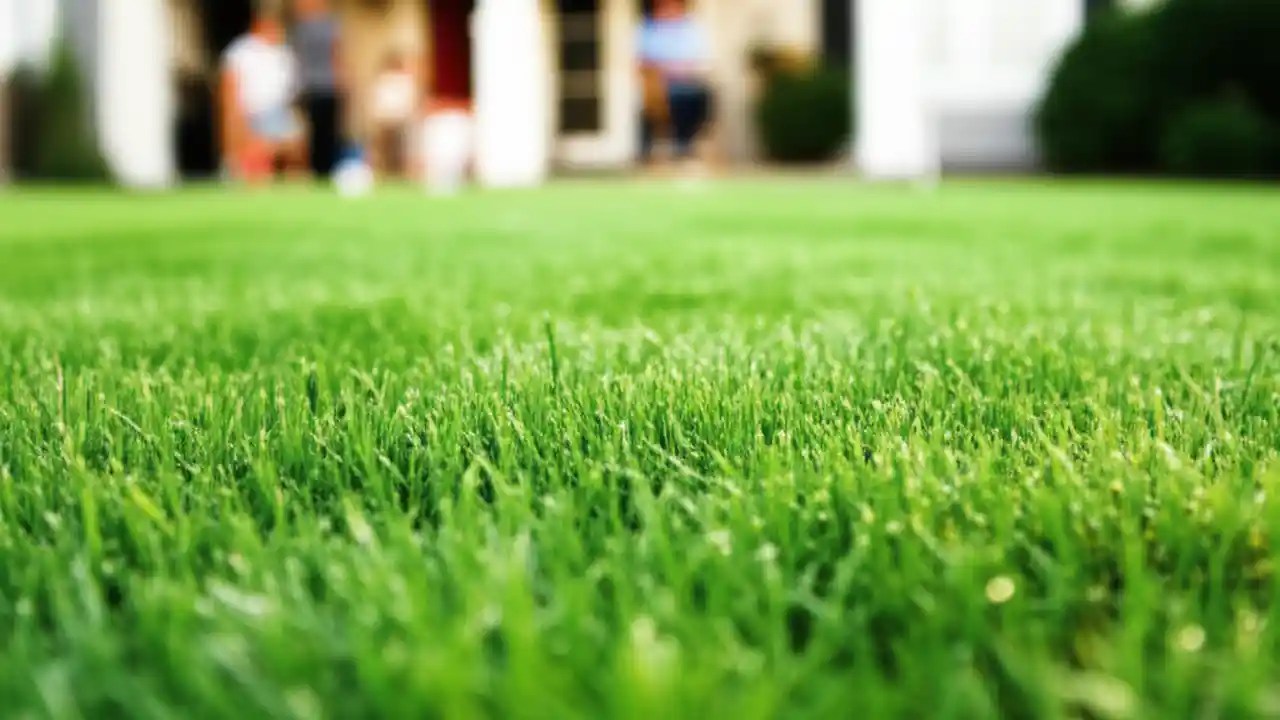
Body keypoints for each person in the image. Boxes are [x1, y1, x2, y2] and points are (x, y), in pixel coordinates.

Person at [220, 11, 305, 182]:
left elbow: (291, 88)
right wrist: (236, 118)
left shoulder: (283, 53)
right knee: (257, 158)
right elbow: (229, 87)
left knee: (295, 150)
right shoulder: (241, 51)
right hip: (252, 111)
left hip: (280, 110)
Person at [637, 0, 712, 166]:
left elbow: (697, 61)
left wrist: (681, 69)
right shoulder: (647, 29)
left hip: (687, 82)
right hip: (658, 85)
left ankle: (684, 145)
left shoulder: (690, 29)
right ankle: (653, 151)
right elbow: (643, 61)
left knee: (700, 95)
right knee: (674, 96)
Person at [292, 0, 344, 177]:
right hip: (313, 88)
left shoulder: (326, 26)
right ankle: (319, 172)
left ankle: (326, 171)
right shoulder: (302, 28)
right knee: (317, 135)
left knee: (327, 134)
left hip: (326, 87)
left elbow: (335, 55)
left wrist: (340, 80)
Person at [370, 52, 417, 179]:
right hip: (385, 122)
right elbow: (378, 101)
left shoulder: (404, 80)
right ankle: (382, 176)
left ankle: (400, 176)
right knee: (383, 153)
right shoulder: (384, 79)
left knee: (399, 153)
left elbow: (408, 102)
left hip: (399, 122)